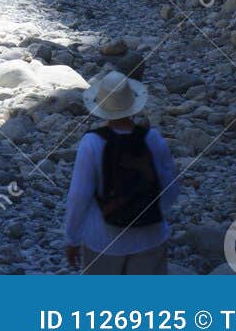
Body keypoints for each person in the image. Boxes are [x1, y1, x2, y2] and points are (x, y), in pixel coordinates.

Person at [63, 72, 179, 274]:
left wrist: (72, 238)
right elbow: (170, 189)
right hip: (150, 237)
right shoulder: (152, 138)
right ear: (132, 103)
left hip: (103, 239)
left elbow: (79, 195)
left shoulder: (92, 142)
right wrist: (149, 212)